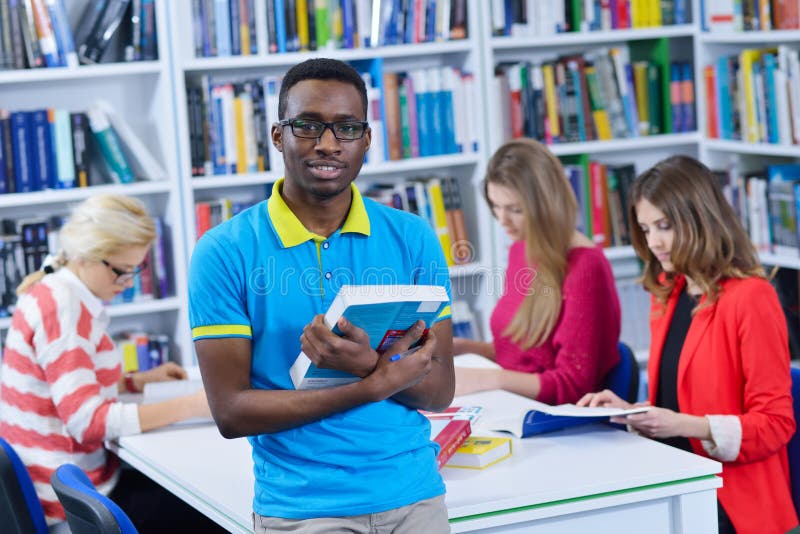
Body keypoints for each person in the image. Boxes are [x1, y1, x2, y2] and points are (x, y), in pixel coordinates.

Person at [188, 58, 454, 533]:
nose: (328, 144)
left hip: (416, 499)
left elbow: (438, 392)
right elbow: (231, 412)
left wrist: (364, 365)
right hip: (303, 510)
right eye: (308, 125)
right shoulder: (224, 251)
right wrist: (373, 384)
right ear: (277, 135)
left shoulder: (413, 237)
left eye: (347, 128)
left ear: (366, 140)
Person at [578, 155, 798, 534]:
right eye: (646, 229)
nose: (655, 242)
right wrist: (633, 412)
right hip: (680, 485)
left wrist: (684, 424)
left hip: (737, 507)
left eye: (665, 226)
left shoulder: (752, 298)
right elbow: (680, 403)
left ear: (701, 218)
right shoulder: (669, 292)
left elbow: (776, 424)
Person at [0, 194, 219, 532]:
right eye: (122, 271)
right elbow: (87, 422)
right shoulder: (64, 310)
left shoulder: (55, 289)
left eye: (136, 270)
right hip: (69, 503)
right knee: (206, 510)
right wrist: (192, 406)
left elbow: (67, 385)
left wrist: (138, 382)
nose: (129, 283)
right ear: (88, 256)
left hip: (62, 482)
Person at [453, 138, 620, 404]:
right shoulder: (521, 248)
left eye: (515, 209)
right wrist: (465, 348)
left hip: (560, 420)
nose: (502, 220)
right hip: (515, 403)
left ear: (546, 205)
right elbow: (523, 355)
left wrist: (486, 378)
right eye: (495, 206)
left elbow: (574, 385)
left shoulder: (586, 266)